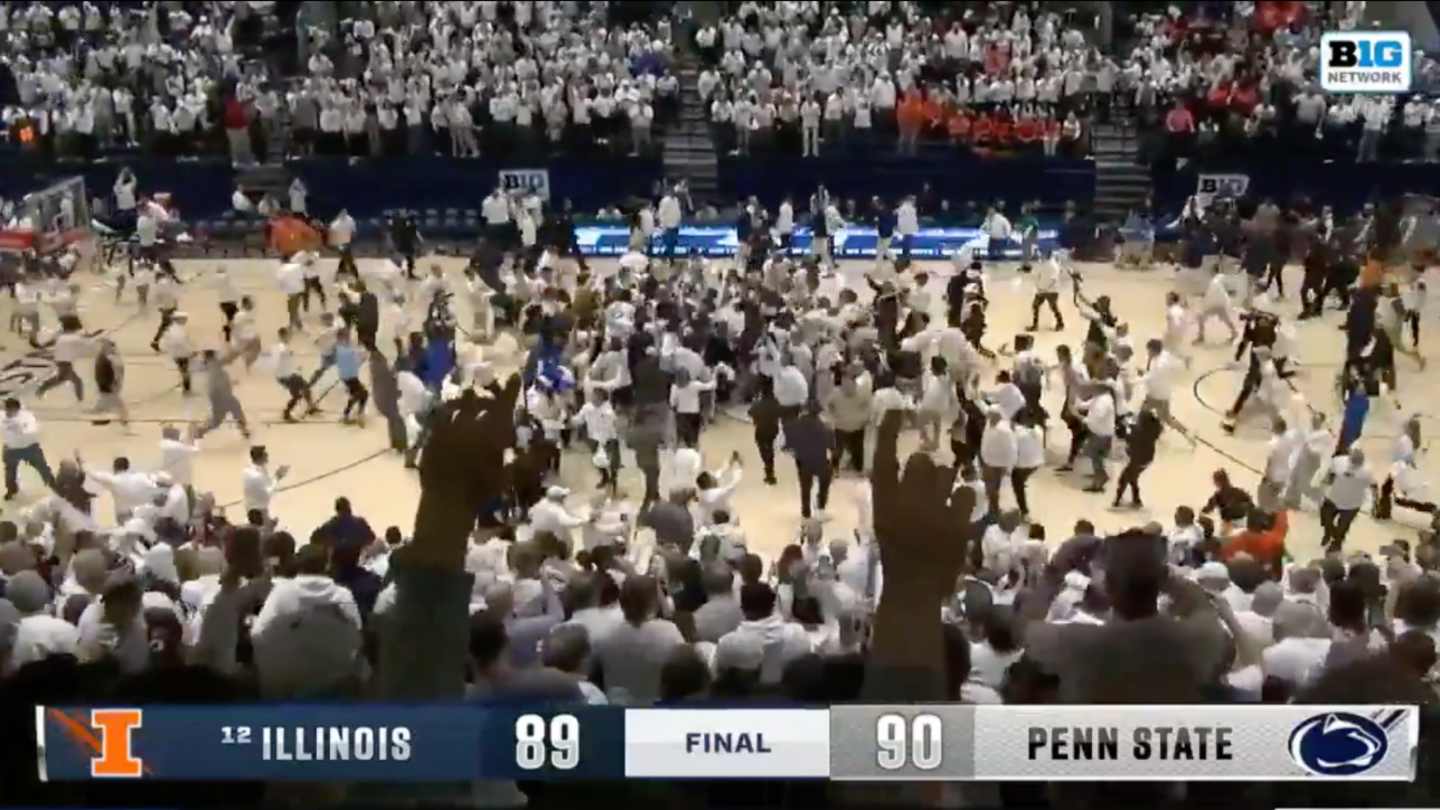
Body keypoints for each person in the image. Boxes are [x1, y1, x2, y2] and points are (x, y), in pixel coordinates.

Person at [1320, 447, 1377, 551]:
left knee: (1343, 527)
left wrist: (1375, 500)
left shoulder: (1367, 471)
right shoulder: (1339, 461)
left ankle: (1336, 544)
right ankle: (1329, 533)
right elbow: (1331, 472)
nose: (1354, 465)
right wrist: (1327, 481)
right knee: (1325, 517)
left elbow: (1373, 485)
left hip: (1352, 504)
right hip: (1333, 498)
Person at [787, 402, 835, 520]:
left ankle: (806, 512)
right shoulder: (825, 427)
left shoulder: (793, 425)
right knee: (824, 485)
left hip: (803, 461)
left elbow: (789, 446)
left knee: (805, 487)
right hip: (821, 461)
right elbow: (832, 447)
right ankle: (820, 509)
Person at [1, 398, 56, 500]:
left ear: (17, 409)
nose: (9, 412)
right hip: (11, 449)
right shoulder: (1, 416)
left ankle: (54, 485)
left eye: (11, 410)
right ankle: (11, 489)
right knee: (10, 471)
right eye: (7, 409)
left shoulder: (27, 417)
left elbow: (33, 430)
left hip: (30, 448)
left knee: (43, 468)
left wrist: (21, 429)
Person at [195, 350, 250, 440]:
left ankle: (200, 431)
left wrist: (231, 382)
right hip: (221, 393)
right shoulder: (214, 363)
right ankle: (243, 429)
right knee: (234, 409)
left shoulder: (209, 365)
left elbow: (219, 376)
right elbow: (229, 358)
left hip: (218, 393)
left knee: (225, 414)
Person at [270, 328, 320, 422]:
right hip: (286, 375)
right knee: (299, 393)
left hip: (286, 375)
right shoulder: (282, 348)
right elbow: (280, 361)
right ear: (283, 335)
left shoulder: (277, 347)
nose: (290, 337)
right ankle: (287, 413)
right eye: (288, 335)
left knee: (304, 388)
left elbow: (279, 361)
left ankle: (310, 406)